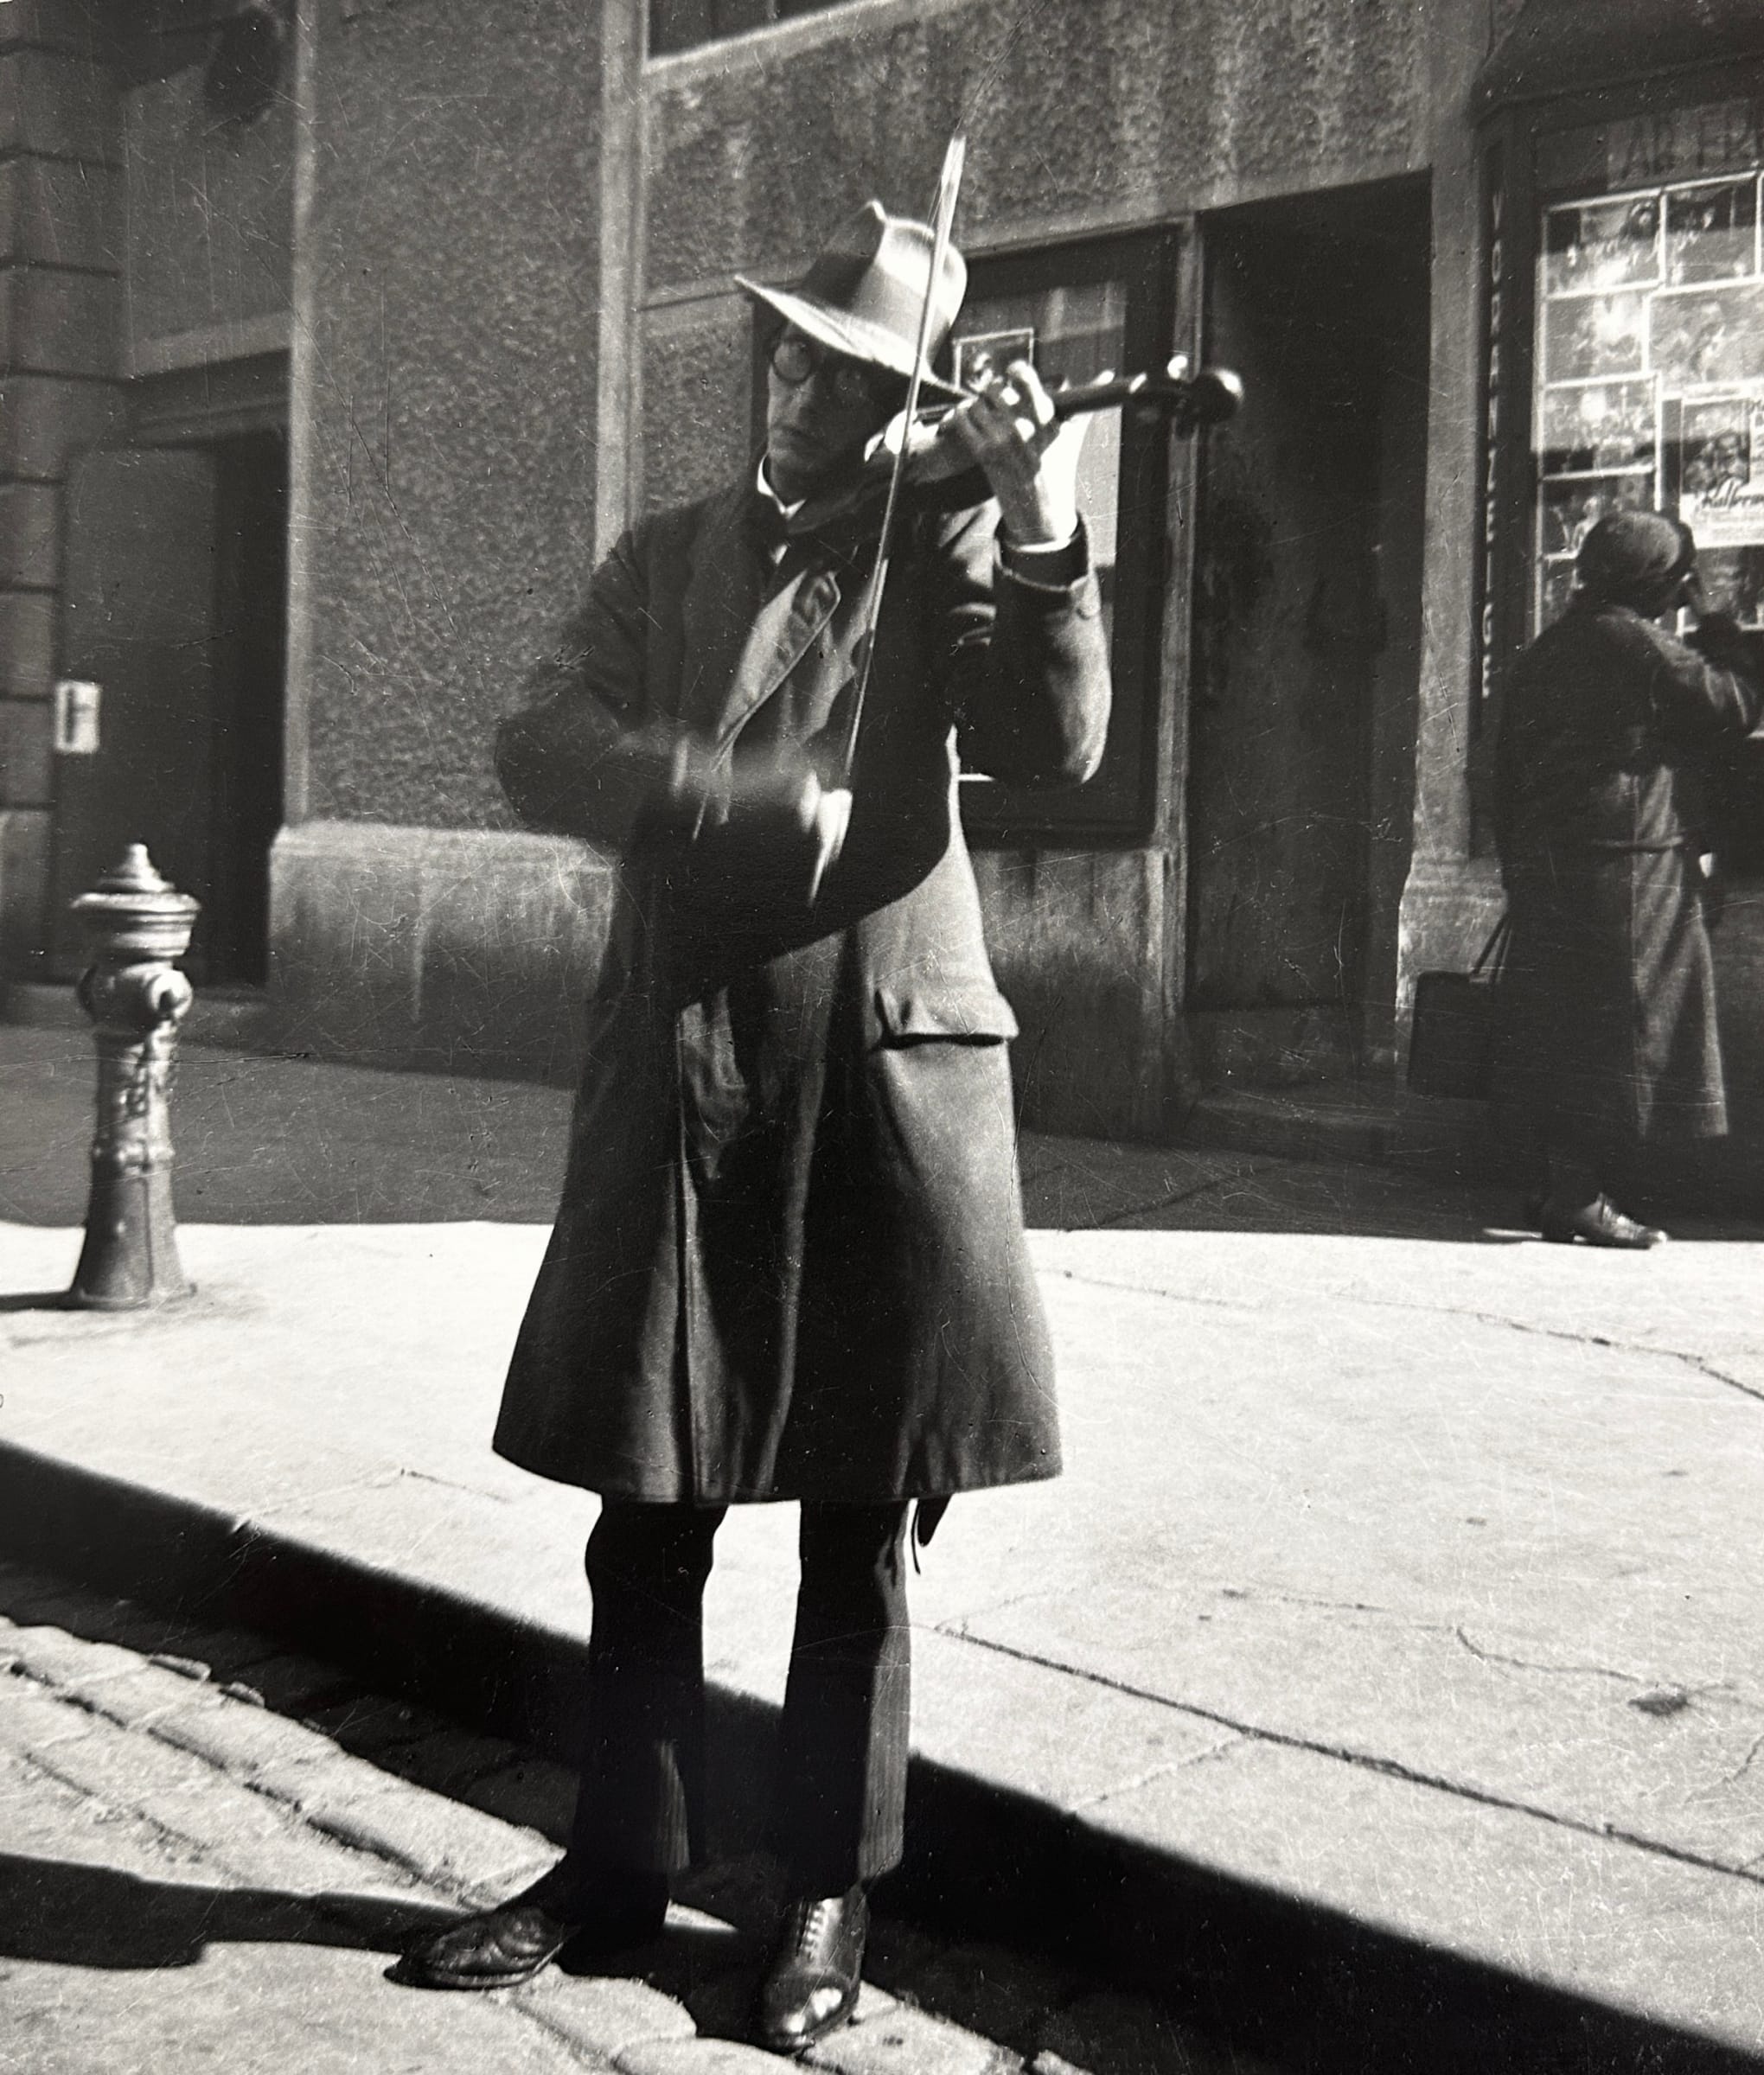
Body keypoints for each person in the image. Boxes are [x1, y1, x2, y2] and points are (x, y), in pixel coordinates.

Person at [396, 200, 1110, 2046]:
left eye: (854, 377)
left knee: (856, 1520)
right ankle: (616, 1872)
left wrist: (1032, 523)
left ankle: (819, 1899)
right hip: (692, 1063)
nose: (801, 395)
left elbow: (1054, 742)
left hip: (870, 1078)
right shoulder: (668, 557)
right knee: (648, 1506)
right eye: (790, 358)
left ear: (909, 403)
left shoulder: (948, 545)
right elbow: (539, 737)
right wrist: (729, 789)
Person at [1492, 510, 1764, 1247]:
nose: (1681, 590)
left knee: (1569, 1029)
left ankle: (1560, 1188)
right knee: (1620, 1035)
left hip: (1555, 865)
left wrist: (1520, 869)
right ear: (1652, 578)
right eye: (1676, 577)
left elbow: (1505, 774)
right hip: (1628, 868)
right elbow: (1734, 706)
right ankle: (1578, 1199)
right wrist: (1718, 622)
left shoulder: (1547, 649)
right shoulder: (1639, 644)